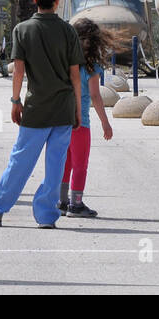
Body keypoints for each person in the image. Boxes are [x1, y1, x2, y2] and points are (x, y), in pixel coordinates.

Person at [0, 0, 81, 228]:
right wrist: (78, 110)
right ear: (58, 1)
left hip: (37, 107)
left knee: (21, 161)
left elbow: (18, 70)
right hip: (64, 108)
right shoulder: (68, 31)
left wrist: (15, 101)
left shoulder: (23, 30)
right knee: (56, 165)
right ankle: (47, 215)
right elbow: (75, 76)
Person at [59, 19, 114, 217]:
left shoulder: (65, 62)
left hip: (63, 121)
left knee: (65, 162)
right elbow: (95, 95)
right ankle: (76, 204)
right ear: (94, 42)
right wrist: (105, 123)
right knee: (80, 164)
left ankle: (62, 200)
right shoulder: (91, 67)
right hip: (81, 122)